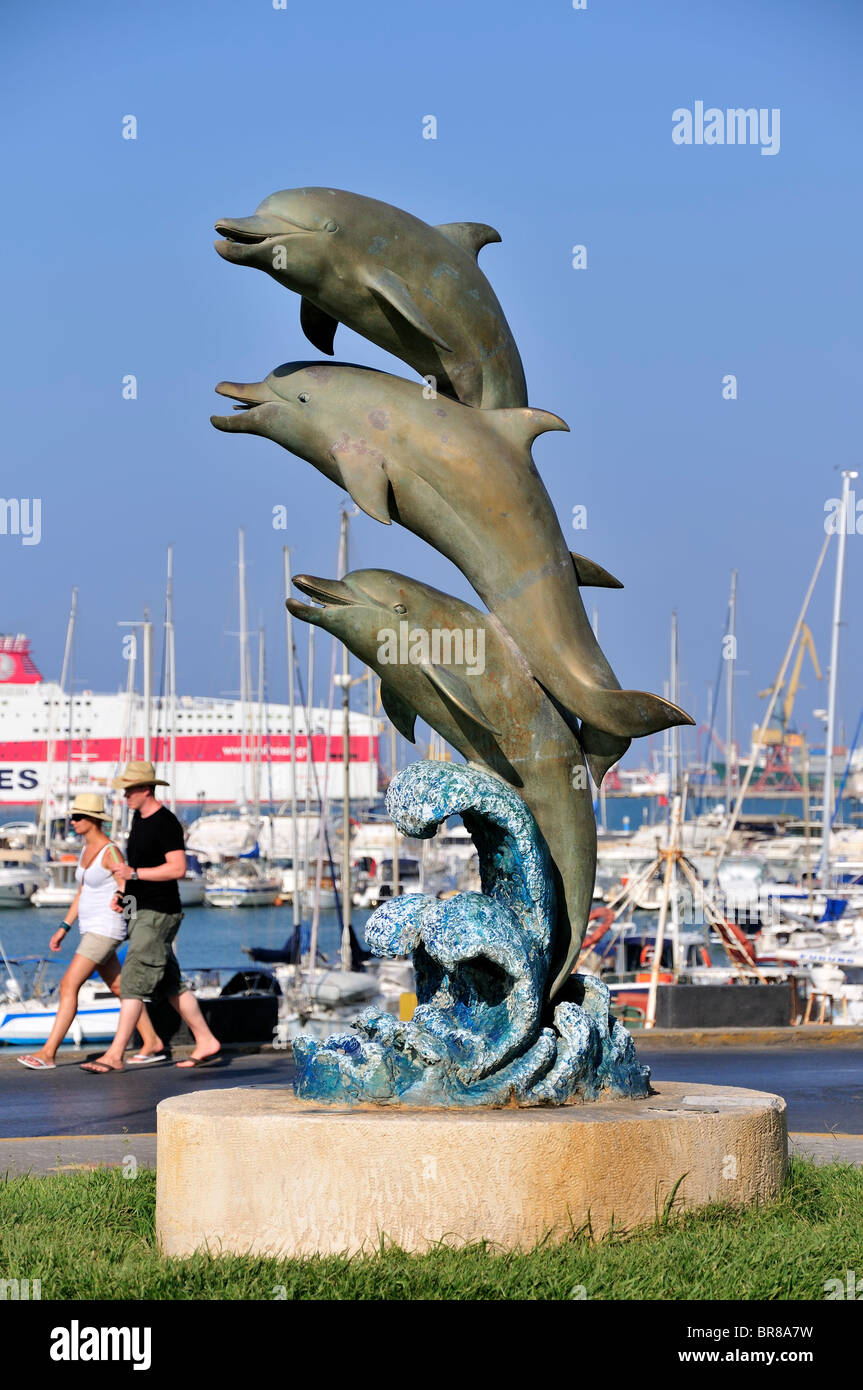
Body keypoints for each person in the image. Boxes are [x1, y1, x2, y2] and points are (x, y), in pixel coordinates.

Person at [81, 761, 221, 1073]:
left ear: (146, 789)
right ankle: (206, 1040)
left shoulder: (165, 822)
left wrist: (135, 873)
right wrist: (123, 894)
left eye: (129, 789)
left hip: (159, 913)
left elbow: (178, 868)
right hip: (142, 909)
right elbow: (136, 868)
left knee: (132, 979)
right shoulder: (139, 818)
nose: (125, 795)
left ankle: (115, 1054)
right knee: (171, 985)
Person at [17, 793, 164, 1070]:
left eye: (77, 817)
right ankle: (152, 1040)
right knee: (121, 987)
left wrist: (122, 902)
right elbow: (82, 893)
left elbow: (128, 886)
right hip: (90, 929)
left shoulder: (111, 852)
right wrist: (64, 927)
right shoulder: (85, 850)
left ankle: (48, 1053)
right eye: (72, 817)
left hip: (106, 929)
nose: (72, 822)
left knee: (68, 985)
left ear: (93, 820)